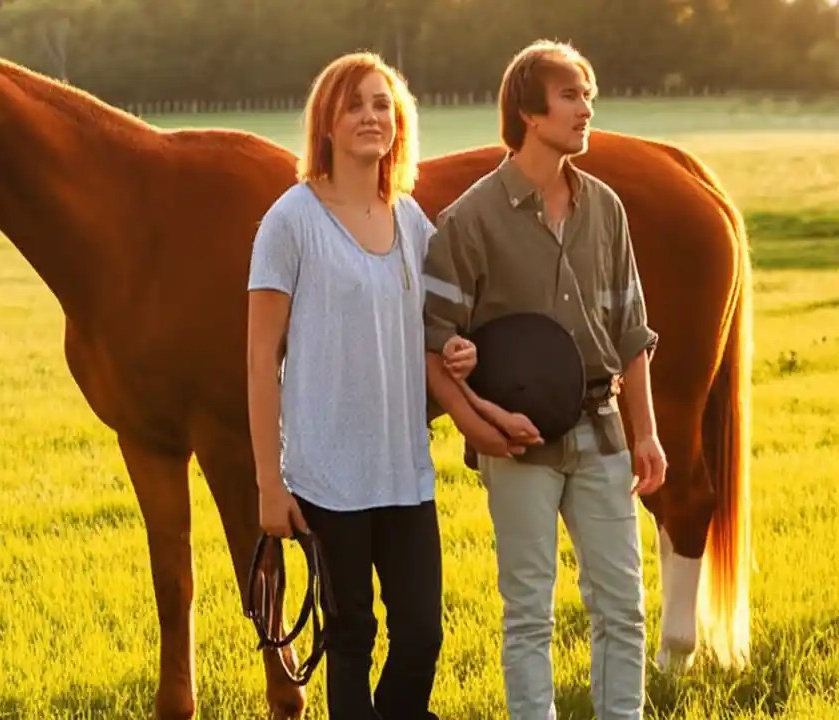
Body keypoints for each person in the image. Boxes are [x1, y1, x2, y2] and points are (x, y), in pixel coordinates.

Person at [421, 40, 668, 720]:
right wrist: (483, 420)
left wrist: (646, 435)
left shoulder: (606, 210)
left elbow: (632, 331)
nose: (587, 108)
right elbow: (434, 341)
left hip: (603, 431)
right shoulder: (468, 220)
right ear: (529, 111)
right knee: (528, 612)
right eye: (571, 95)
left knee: (623, 607)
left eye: (588, 94)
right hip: (518, 442)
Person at [246, 51, 469, 719]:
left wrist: (454, 349)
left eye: (383, 104)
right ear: (327, 123)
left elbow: (431, 327)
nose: (372, 116)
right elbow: (260, 358)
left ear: (399, 123)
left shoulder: (410, 220)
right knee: (349, 639)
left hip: (404, 472)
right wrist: (268, 484)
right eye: (356, 104)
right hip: (327, 477)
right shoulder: (290, 221)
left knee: (422, 635)